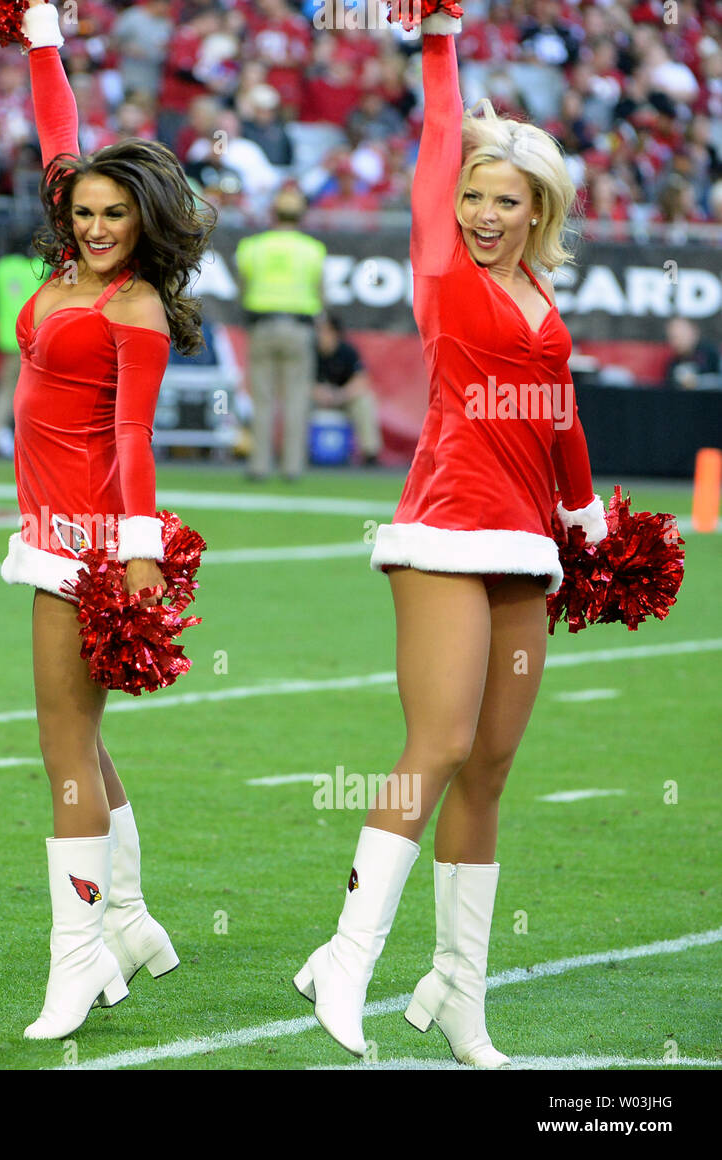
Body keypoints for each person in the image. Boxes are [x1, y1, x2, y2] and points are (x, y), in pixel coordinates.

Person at [294, 7, 607, 1068]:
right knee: (434, 746)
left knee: (490, 767)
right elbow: (436, 141)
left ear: (536, 212)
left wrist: (588, 517)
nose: (477, 210)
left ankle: (459, 992)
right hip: (442, 529)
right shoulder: (443, 273)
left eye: (499, 199)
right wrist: (436, 39)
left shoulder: (539, 295)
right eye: (470, 194)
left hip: (527, 544)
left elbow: (559, 417)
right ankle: (344, 956)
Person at [0, 0, 215, 1040]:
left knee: (62, 749)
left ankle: (76, 959)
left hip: (87, 539)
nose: (91, 229)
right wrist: (40, 35)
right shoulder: (66, 265)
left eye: (111, 218)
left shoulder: (132, 309)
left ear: (142, 225)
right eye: (81, 213)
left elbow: (133, 441)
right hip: (51, 528)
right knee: (82, 741)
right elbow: (56, 134)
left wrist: (131, 562)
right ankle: (126, 921)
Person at [235, 185, 325, 481]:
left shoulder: (252, 246)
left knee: (262, 399)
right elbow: (321, 293)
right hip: (298, 326)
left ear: (273, 213)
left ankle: (259, 465)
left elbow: (243, 287)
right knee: (296, 399)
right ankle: (292, 467)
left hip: (261, 324)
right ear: (301, 215)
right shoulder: (313, 249)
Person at [0, 246, 46, 455]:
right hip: (31, 339)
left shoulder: (2, 269)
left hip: (8, 340)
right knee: (28, 392)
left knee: (8, 390)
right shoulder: (38, 268)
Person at [313, 312, 382, 466]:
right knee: (296, 400)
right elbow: (300, 381)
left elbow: (361, 380)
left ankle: (370, 453)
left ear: (335, 333)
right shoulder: (309, 351)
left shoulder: (347, 352)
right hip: (316, 399)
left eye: (324, 331)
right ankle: (294, 452)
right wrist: (317, 392)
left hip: (342, 398)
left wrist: (340, 395)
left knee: (364, 401)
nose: (319, 335)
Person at [662, 316, 720, 390]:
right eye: (673, 337)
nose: (678, 340)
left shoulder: (710, 354)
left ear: (694, 332)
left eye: (682, 334)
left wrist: (698, 382)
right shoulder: (673, 363)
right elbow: (667, 388)